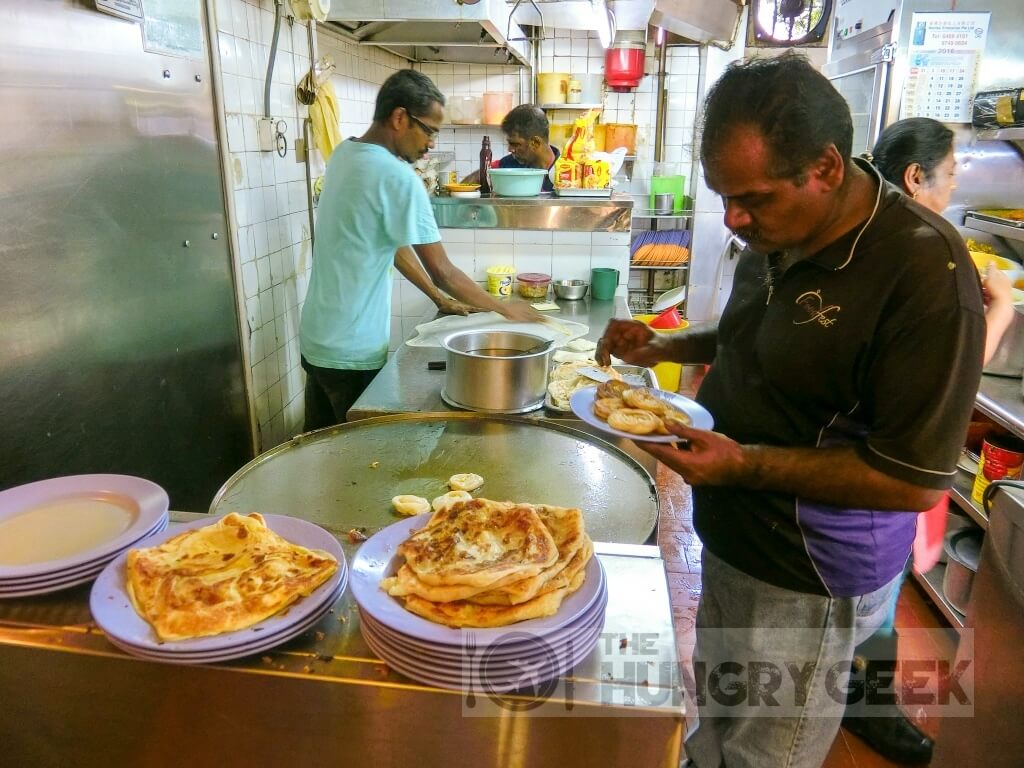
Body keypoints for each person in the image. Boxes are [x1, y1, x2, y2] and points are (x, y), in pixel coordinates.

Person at [596, 53, 985, 768]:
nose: (734, 220)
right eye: (723, 197)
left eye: (752, 199)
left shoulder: (926, 274)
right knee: (713, 722)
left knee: (767, 752)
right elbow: (753, 330)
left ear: (827, 168)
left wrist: (743, 464)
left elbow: (914, 482)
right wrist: (664, 343)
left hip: (809, 574)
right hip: (733, 535)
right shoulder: (782, 231)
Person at [838, 117, 1014, 764]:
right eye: (951, 176)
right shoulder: (929, 253)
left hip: (848, 446)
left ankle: (852, 692)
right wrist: (997, 304)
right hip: (885, 455)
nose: (954, 188)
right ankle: (867, 709)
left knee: (862, 592)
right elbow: (959, 371)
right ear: (917, 177)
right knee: (874, 592)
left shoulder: (858, 230)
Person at [299, 70, 537, 431]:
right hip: (352, 352)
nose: (430, 144)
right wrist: (505, 309)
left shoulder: (344, 155)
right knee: (362, 463)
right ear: (399, 117)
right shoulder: (398, 178)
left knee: (319, 450)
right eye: (429, 130)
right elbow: (444, 270)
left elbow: (389, 244)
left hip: (317, 340)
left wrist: (437, 298)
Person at [462, 105, 560, 192]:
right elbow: (478, 176)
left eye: (515, 144)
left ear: (535, 143)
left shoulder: (566, 171)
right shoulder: (509, 164)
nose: (510, 149)